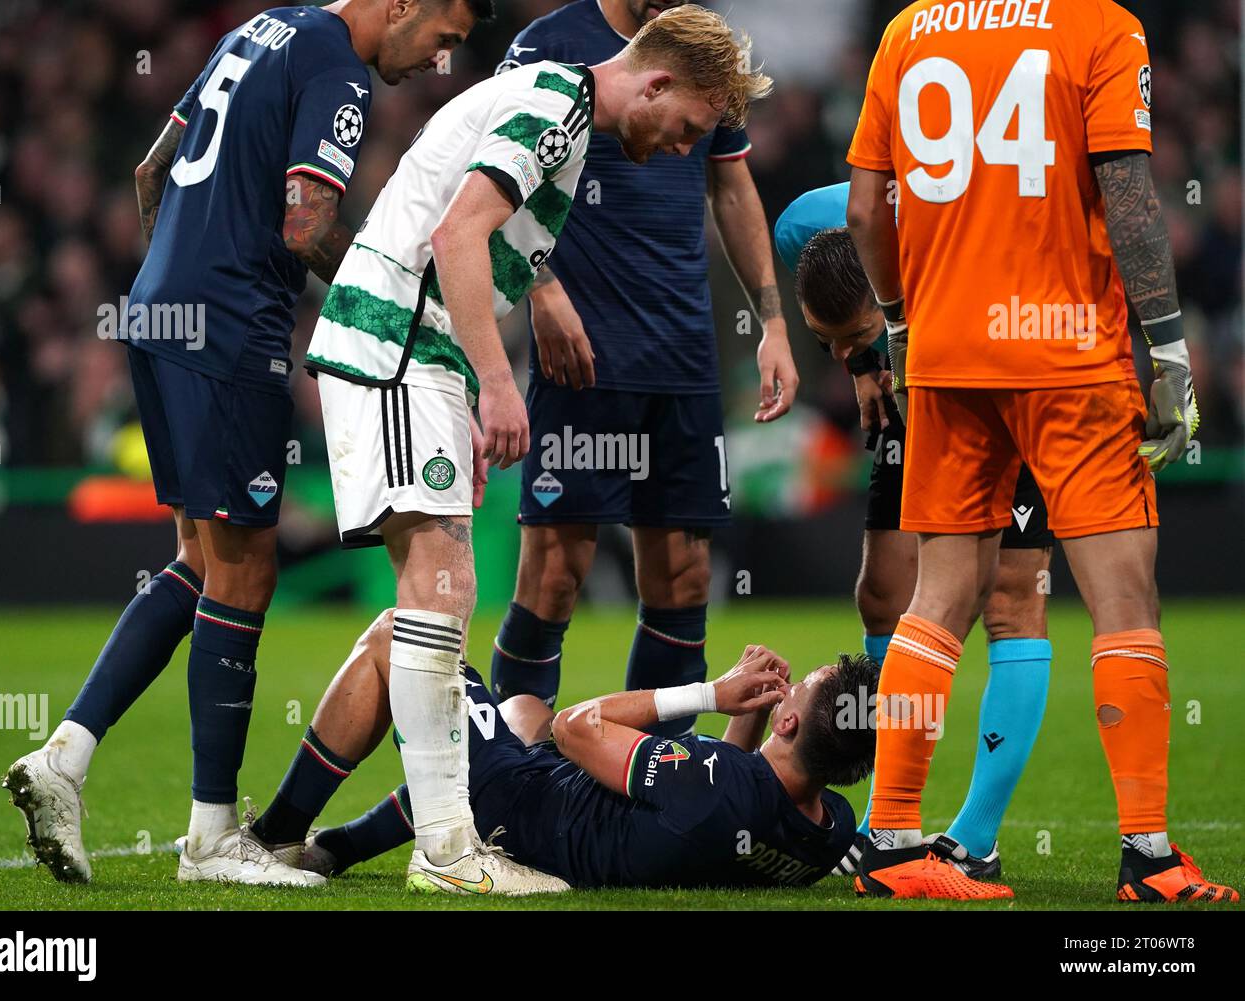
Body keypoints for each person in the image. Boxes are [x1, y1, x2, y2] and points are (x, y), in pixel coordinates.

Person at [250, 5, 773, 895]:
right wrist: (495, 382)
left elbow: (478, 237)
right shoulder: (561, 108)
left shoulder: (553, 103)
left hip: (416, 353)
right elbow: (457, 235)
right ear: (654, 83)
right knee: (443, 591)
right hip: (396, 345)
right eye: (686, 127)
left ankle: (329, 836)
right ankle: (447, 848)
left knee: (430, 605)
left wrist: (463, 387)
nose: (685, 149)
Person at [3, 0, 489, 887]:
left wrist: (181, 268)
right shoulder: (338, 67)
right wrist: (395, 303)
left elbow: (154, 168)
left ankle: (64, 757)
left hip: (159, 308)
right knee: (247, 572)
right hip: (228, 329)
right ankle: (214, 837)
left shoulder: (260, 29)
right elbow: (304, 225)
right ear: (406, 4)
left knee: (198, 559)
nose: (440, 59)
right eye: (445, 35)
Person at [845, 0, 1237, 901]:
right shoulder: (1100, 24)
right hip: (1070, 358)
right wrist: (1171, 345)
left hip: (946, 354)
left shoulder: (911, 30)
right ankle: (1149, 856)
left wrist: (904, 321)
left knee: (936, 599)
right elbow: (1130, 192)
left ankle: (894, 840)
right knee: (1123, 596)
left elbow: (868, 208)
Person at [487, 0, 799, 735]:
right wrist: (540, 286)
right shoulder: (548, 47)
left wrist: (773, 321)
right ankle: (508, 775)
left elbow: (732, 185)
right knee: (556, 573)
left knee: (684, 577)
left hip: (682, 354)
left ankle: (647, 786)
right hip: (583, 355)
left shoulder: (703, 52)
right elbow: (490, 179)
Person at [774, 184, 1053, 878]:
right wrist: (869, 361)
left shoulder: (985, 222)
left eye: (854, 340)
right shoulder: (843, 225)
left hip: (1012, 383)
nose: (839, 358)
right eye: (826, 345)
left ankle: (975, 837)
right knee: (883, 594)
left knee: (1012, 601)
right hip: (919, 401)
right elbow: (797, 222)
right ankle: (886, 820)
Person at [261, 610, 875, 891]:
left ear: (790, 720)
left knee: (401, 636)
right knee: (523, 708)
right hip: (574, 815)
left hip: (525, 812)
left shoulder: (707, 782)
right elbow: (749, 793)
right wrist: (754, 714)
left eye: (793, 692)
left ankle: (276, 838)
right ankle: (335, 850)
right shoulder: (827, 832)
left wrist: (712, 692)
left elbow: (576, 730)